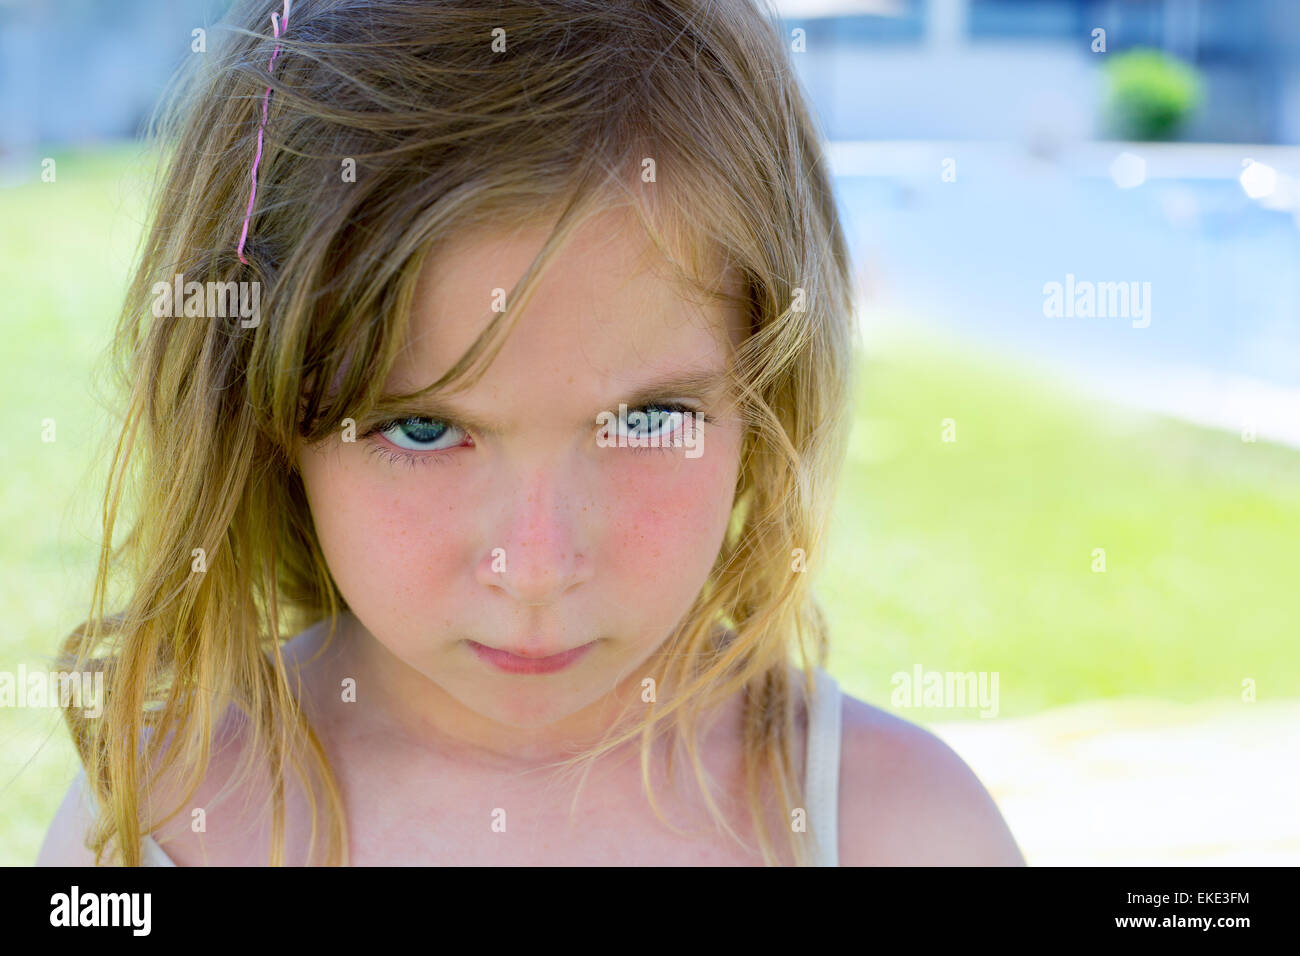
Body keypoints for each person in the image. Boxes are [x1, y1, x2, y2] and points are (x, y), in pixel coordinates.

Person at [38, 0, 1024, 866]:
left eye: (646, 419)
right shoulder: (154, 823)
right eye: (422, 427)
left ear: (766, 393)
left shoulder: (895, 828)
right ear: (257, 413)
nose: (538, 565)